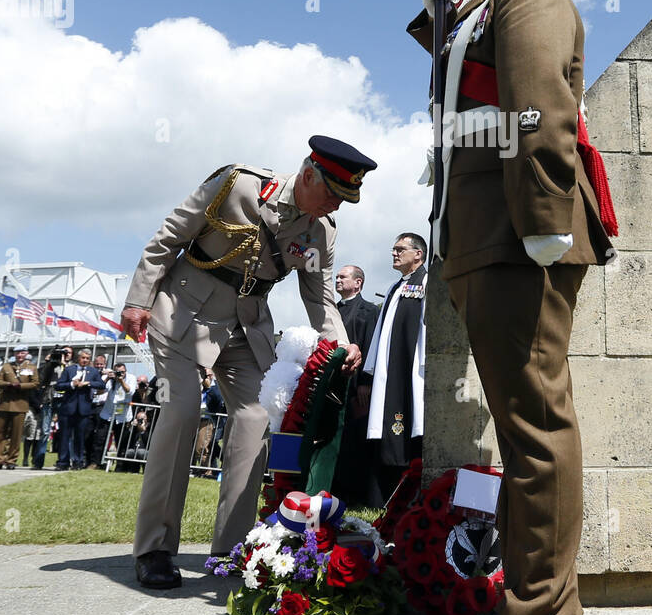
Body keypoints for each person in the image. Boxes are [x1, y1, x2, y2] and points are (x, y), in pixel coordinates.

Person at [410, 0, 616, 615]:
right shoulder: (486, 10)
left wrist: (540, 222)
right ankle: (523, 606)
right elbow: (470, 84)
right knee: (522, 423)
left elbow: (538, 109)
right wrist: (439, 17)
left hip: (518, 238)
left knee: (536, 427)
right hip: (485, 238)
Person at [120, 136, 377, 589]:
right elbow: (170, 235)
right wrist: (138, 300)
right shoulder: (238, 185)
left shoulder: (320, 231)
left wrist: (341, 343)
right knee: (181, 412)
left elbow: (319, 298)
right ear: (309, 174)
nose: (335, 205)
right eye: (332, 194)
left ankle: (235, 547)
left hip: (246, 325)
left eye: (344, 199)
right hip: (184, 312)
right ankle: (156, 548)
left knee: (257, 417)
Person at [358, 233, 427, 507]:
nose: (394, 254)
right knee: (388, 428)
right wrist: (369, 373)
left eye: (400, 249)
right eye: (393, 249)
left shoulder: (428, 283)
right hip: (390, 374)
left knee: (412, 423)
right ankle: (384, 497)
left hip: (414, 371)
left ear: (418, 254)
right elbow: (379, 335)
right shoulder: (394, 288)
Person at [332, 264, 380, 502]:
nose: (337, 280)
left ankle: (353, 492)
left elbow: (372, 346)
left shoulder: (369, 311)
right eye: (336, 277)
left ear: (358, 282)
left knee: (353, 438)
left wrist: (366, 382)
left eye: (343, 277)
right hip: (331, 384)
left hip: (356, 387)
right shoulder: (330, 311)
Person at [55, 350, 105, 469]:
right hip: (68, 408)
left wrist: (88, 383)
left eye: (87, 358)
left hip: (84, 409)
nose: (85, 360)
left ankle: (77, 462)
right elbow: (58, 386)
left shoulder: (92, 371)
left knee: (80, 437)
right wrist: (72, 384)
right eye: (83, 358)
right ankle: (63, 462)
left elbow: (101, 385)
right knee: (64, 437)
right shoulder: (69, 370)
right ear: (78, 358)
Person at [0, 347, 41, 469]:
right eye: (17, 352)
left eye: (22, 353)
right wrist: (8, 384)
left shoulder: (31, 367)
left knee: (16, 435)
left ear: (26, 354)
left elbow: (35, 383)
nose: (19, 355)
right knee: (0, 433)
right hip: (5, 404)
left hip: (20, 404)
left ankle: (11, 460)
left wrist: (20, 386)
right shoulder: (6, 366)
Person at [89, 362, 137, 469]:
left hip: (123, 416)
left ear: (126, 371)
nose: (120, 374)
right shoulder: (110, 379)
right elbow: (98, 391)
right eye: (118, 372)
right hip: (107, 414)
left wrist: (121, 380)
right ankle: (96, 463)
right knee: (100, 440)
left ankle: (120, 466)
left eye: (122, 372)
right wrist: (106, 379)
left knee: (121, 442)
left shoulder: (131, 378)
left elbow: (130, 392)